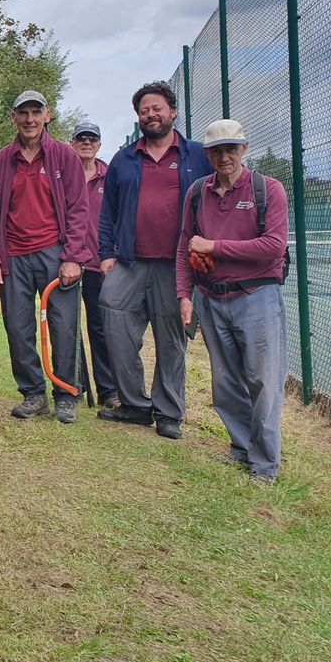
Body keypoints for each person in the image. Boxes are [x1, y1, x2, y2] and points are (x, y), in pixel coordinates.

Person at [176, 119, 289, 483]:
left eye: (231, 149)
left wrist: (215, 246)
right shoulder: (198, 193)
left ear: (244, 149)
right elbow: (185, 247)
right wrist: (184, 295)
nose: (224, 157)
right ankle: (241, 448)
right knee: (226, 383)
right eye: (216, 151)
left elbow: (274, 246)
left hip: (257, 296)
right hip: (211, 298)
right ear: (207, 154)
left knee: (262, 382)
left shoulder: (267, 190)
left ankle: (265, 464)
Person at [98, 82, 210, 440]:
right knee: (113, 321)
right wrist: (106, 254)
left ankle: (168, 412)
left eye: (157, 108)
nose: (151, 115)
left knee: (171, 339)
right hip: (129, 262)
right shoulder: (124, 159)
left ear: (173, 112)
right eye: (144, 110)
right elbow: (108, 212)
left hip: (176, 265)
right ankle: (134, 405)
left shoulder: (197, 155)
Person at [0, 90, 91, 424]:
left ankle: (66, 395)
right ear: (14, 118)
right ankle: (33, 394)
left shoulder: (63, 156)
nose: (29, 119)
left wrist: (73, 256)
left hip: (55, 254)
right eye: (23, 113)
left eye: (35, 112)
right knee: (17, 327)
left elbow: (78, 209)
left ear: (47, 115)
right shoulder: (2, 161)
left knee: (64, 326)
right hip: (13, 256)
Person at [69, 121, 118, 409]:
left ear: (99, 144)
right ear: (72, 143)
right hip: (70, 263)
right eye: (81, 138)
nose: (86, 143)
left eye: (92, 139)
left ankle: (107, 390)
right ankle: (74, 384)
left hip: (101, 266)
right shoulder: (64, 174)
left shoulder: (110, 176)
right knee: (68, 327)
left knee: (101, 328)